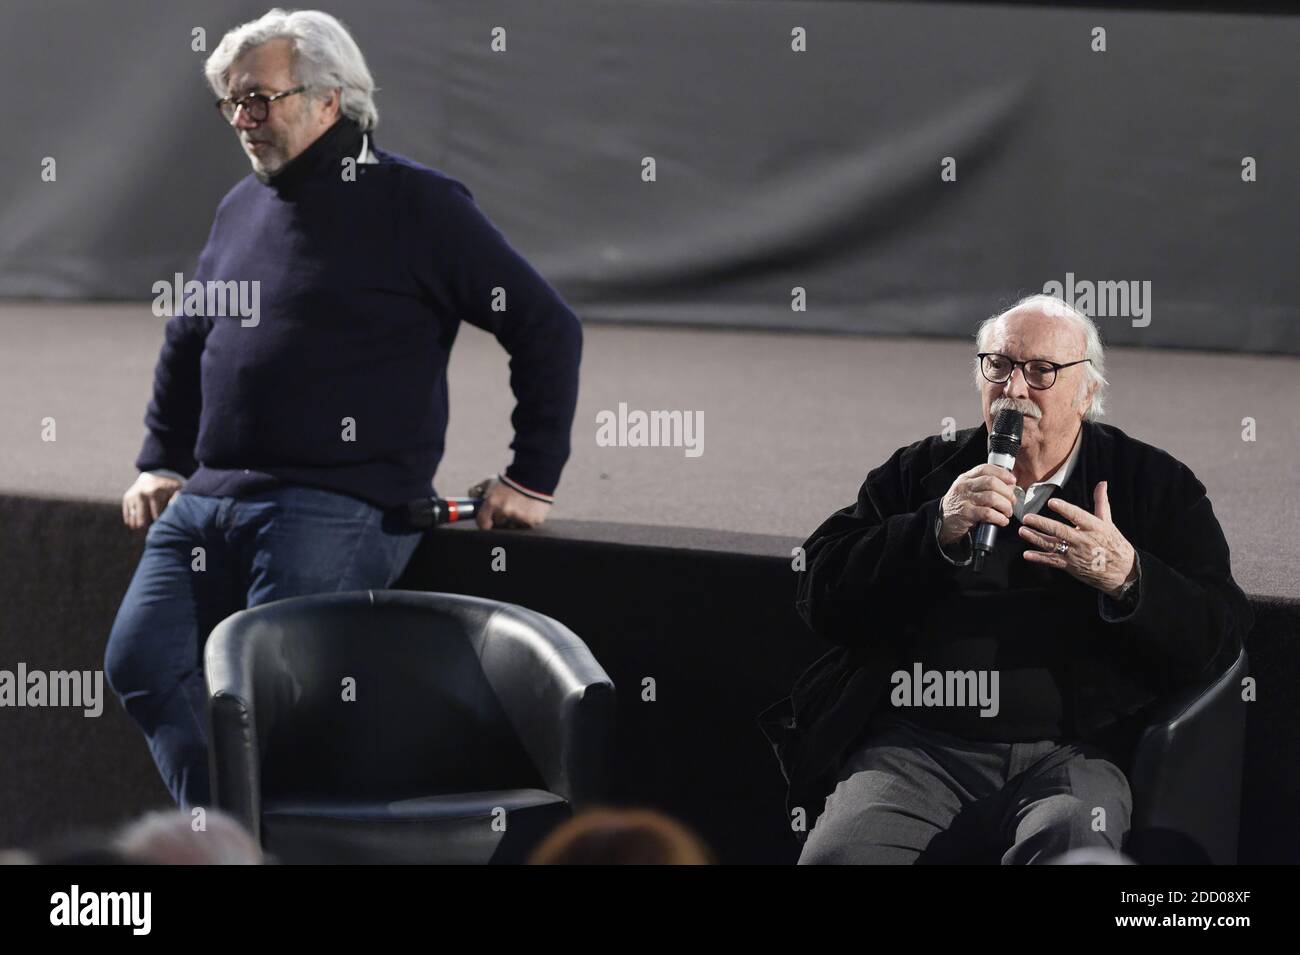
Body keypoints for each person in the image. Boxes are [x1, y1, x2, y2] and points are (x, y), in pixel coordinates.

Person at [105, 9, 581, 810]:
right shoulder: (240, 207)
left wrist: (531, 476)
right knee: (141, 664)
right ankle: (236, 847)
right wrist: (161, 457)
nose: (243, 121)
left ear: (331, 99)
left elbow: (545, 324)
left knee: (279, 712)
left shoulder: (417, 204)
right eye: (231, 103)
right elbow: (189, 337)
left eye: (261, 99)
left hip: (335, 507)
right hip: (210, 500)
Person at [761, 294, 1252, 864]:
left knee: (1076, 850)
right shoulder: (923, 472)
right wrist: (933, 529)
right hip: (918, 748)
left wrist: (1129, 577)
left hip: (1072, 754)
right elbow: (819, 594)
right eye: (999, 366)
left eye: (1041, 371)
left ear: (1088, 391)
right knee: (836, 858)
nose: (1014, 389)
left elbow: (1221, 636)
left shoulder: (1153, 484)